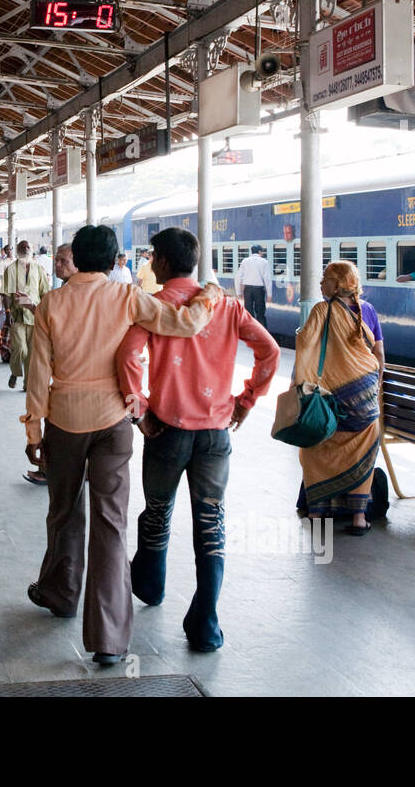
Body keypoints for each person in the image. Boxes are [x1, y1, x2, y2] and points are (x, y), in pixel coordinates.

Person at [23, 224, 220, 665]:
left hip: (65, 418)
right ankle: (109, 639)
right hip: (113, 420)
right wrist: (207, 295)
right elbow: (184, 323)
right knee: (111, 525)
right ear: (114, 262)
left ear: (76, 258)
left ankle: (61, 593)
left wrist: (33, 431)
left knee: (64, 511)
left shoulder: (51, 303)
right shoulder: (127, 297)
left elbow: (38, 375)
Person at [116, 227, 279, 652]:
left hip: (167, 431)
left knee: (157, 511)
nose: (150, 263)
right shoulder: (226, 305)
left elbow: (128, 356)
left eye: (153, 258)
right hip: (214, 435)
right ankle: (205, 624)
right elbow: (270, 351)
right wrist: (246, 399)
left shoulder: (155, 307)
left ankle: (150, 585)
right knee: (211, 524)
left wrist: (140, 409)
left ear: (164, 263)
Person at [295, 261, 383, 535]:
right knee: (361, 454)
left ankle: (318, 510)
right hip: (365, 397)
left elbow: (305, 342)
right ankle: (358, 518)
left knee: (318, 448)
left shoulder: (323, 309)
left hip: (334, 396)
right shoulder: (367, 310)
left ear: (337, 285)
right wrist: (373, 389)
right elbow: (379, 355)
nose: (320, 283)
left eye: (325, 279)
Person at [25, 243, 77, 484]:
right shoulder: (60, 293)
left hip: (67, 380)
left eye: (63, 261)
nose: (57, 265)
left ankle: (49, 470)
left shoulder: (60, 297)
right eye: (56, 260)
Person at [1, 240, 49, 390]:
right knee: (21, 349)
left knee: (32, 354)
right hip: (17, 315)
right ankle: (15, 372)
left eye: (28, 247)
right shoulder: (11, 269)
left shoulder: (38, 269)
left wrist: (45, 313)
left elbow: (44, 293)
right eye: (22, 247)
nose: (25, 249)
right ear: (18, 251)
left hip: (35, 316)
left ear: (31, 250)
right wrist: (8, 312)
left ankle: (27, 385)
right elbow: (6, 294)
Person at [234, 245, 273, 329]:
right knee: (260, 313)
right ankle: (262, 332)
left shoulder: (245, 261)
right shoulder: (264, 262)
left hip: (247, 290)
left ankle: (250, 331)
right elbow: (267, 279)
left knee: (248, 312)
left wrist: (238, 292)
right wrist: (269, 294)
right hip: (259, 290)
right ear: (259, 252)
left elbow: (238, 277)